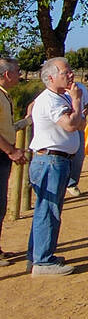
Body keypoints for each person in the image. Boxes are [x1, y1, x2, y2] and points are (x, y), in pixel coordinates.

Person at [27, 57, 86, 276]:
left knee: (47, 210)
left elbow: (80, 122)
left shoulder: (59, 98)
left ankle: (37, 256)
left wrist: (75, 110)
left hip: (56, 160)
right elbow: (72, 124)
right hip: (51, 161)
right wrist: (77, 101)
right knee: (48, 211)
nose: (71, 74)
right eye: (66, 72)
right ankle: (42, 262)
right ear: (51, 77)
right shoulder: (52, 100)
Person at [0, 56, 28, 267]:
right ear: (7, 74)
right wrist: (10, 150)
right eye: (17, 71)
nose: (20, 75)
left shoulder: (4, 96)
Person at [65, 74, 88, 196]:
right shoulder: (55, 92)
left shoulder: (80, 88)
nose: (70, 76)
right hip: (63, 125)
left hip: (79, 125)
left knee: (79, 155)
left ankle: (72, 183)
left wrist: (87, 109)